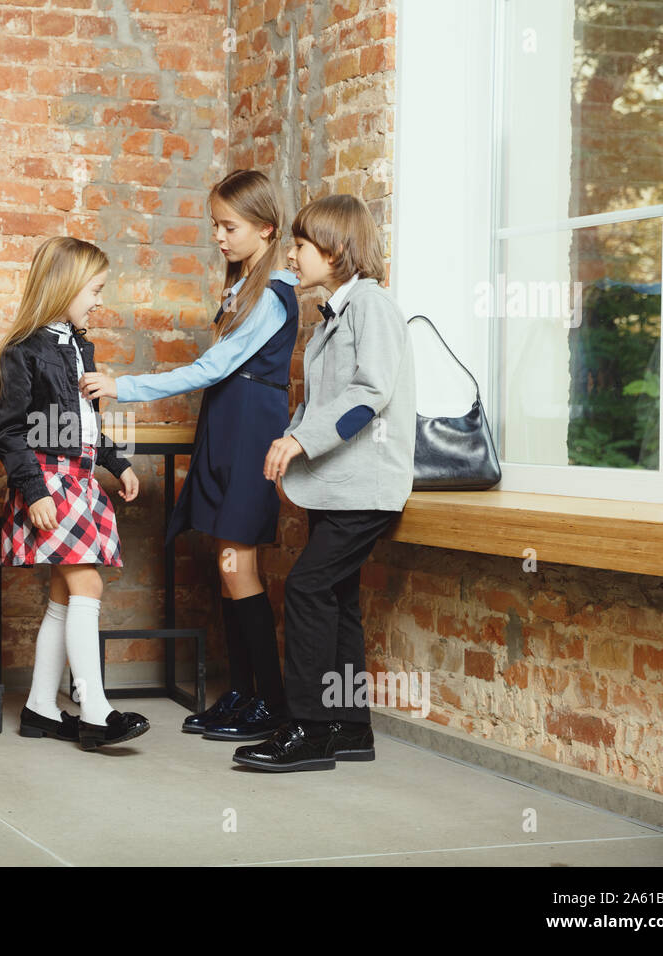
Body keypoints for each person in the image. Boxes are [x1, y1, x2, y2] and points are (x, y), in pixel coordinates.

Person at [82, 170, 300, 743]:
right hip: (228, 426)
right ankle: (243, 694)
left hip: (252, 431)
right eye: (216, 227)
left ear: (266, 228)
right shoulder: (245, 286)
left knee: (238, 562)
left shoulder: (274, 296)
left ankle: (268, 703)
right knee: (229, 565)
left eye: (230, 227)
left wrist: (123, 386)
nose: (220, 238)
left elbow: (212, 369)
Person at [235, 193, 416, 772]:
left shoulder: (372, 306)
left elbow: (370, 392)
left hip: (367, 486)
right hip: (338, 483)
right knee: (337, 598)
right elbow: (322, 400)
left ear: (336, 251)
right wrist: (291, 437)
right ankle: (349, 726)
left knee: (310, 589)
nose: (292, 253)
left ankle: (310, 729)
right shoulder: (337, 313)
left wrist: (301, 441)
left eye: (302, 245)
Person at [0, 237, 148, 752]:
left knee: (64, 595)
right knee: (87, 587)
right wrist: (33, 490)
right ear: (64, 286)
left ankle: (39, 705)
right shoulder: (24, 352)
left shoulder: (82, 348)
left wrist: (116, 463)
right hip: (49, 485)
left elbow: (85, 427)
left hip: (80, 480)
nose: (99, 300)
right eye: (94, 289)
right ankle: (96, 712)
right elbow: (10, 433)